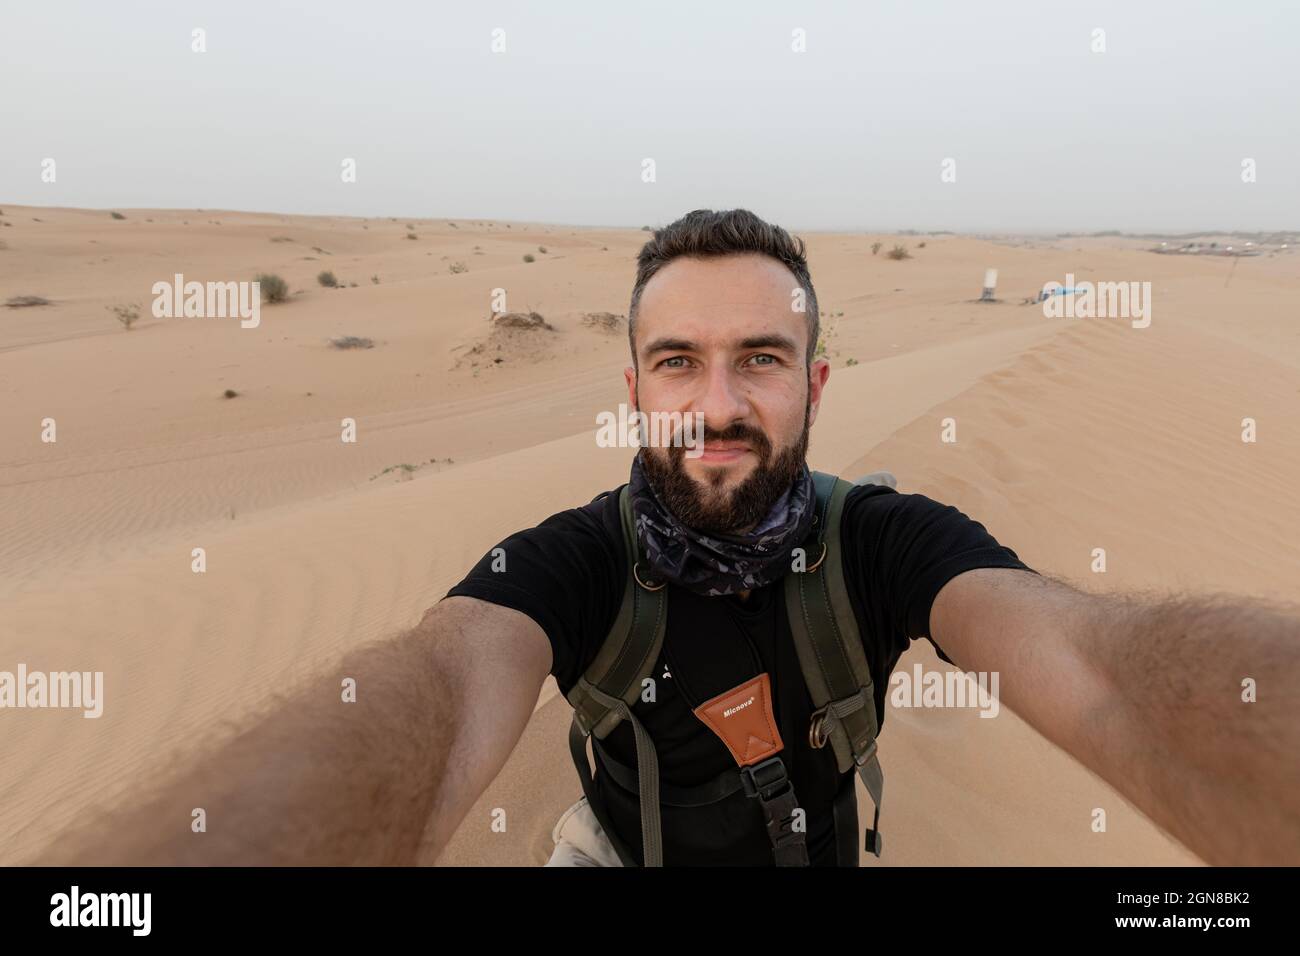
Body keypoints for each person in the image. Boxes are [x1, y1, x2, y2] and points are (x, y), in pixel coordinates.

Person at [37, 209, 1300, 867]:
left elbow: (1090, 663)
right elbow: (432, 704)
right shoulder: (573, 564)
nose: (720, 402)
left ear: (816, 384)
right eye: (677, 360)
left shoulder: (890, 544)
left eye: (762, 357)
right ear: (633, 388)